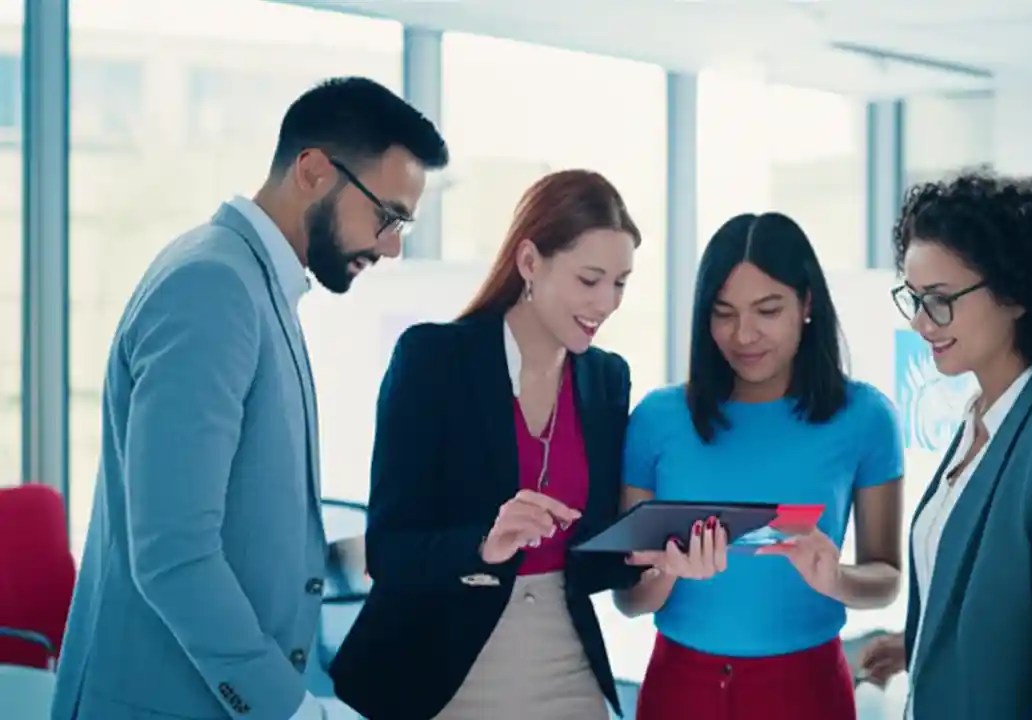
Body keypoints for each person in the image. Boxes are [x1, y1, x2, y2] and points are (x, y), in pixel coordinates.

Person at [51, 77, 448, 720]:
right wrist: (289, 709)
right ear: (315, 171)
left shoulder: (259, 286)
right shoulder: (213, 285)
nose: (392, 245)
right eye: (387, 216)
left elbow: (243, 517)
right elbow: (174, 554)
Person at [329, 169, 646, 720]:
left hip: (564, 658)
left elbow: (586, 557)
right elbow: (388, 550)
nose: (607, 302)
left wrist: (647, 555)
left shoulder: (606, 379)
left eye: (620, 282)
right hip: (444, 664)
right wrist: (485, 543)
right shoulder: (434, 360)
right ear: (529, 262)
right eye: (589, 279)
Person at [858, 170, 1032, 719]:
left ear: (1016, 294)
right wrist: (921, 646)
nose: (919, 322)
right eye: (913, 299)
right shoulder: (981, 418)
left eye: (939, 300)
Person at [615, 211, 905, 720]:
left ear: (807, 303)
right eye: (723, 312)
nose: (743, 334)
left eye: (767, 310)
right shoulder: (657, 420)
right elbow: (628, 599)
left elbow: (886, 578)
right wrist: (665, 573)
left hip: (807, 689)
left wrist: (834, 578)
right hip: (681, 689)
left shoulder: (866, 418)